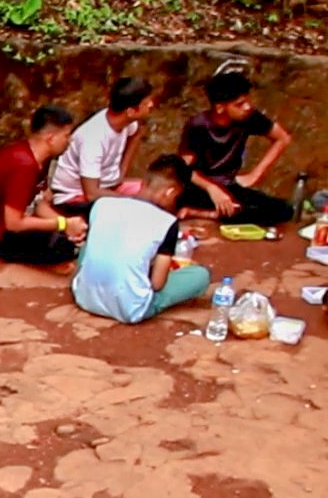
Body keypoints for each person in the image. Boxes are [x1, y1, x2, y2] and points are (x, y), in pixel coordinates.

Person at [72, 155, 211, 324]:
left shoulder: (102, 204)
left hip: (84, 297)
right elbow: (157, 284)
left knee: (92, 244)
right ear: (170, 192)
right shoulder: (167, 222)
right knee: (200, 275)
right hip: (130, 308)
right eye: (176, 198)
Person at [0, 105, 86, 267]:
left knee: (75, 231)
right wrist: (62, 224)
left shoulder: (41, 159)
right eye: (66, 136)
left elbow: (39, 203)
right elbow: (14, 223)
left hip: (12, 223)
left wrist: (67, 224)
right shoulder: (24, 166)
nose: (69, 141)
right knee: (65, 248)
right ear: (50, 138)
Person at [178, 68, 294, 226]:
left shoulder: (249, 117)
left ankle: (211, 214)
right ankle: (214, 212)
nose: (247, 107)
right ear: (220, 108)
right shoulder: (198, 126)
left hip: (229, 185)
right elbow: (184, 169)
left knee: (284, 210)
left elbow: (282, 138)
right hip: (200, 187)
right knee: (179, 198)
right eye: (240, 104)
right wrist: (213, 190)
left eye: (247, 101)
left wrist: (255, 175)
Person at [51, 77, 156, 219]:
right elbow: (91, 193)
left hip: (109, 186)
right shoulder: (93, 137)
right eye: (146, 102)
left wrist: (121, 173)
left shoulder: (128, 122)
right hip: (74, 196)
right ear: (131, 111)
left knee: (153, 193)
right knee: (134, 209)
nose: (151, 105)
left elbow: (136, 135)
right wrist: (129, 201)